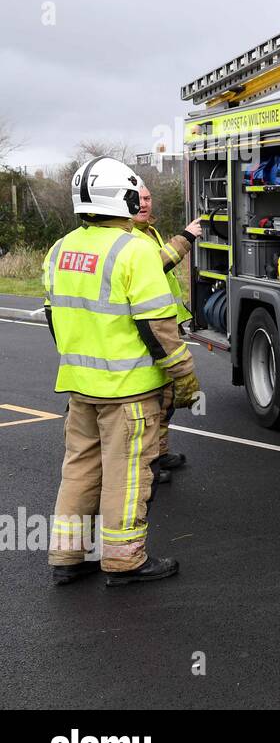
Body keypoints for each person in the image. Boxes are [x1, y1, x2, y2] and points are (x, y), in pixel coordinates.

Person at [43, 157, 200, 587]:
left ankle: (68, 556)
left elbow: (55, 317)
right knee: (127, 475)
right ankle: (124, 560)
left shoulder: (60, 249)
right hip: (128, 391)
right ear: (123, 199)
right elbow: (157, 325)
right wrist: (183, 375)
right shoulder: (134, 250)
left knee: (79, 469)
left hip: (80, 387)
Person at [132, 184, 203, 475]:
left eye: (148, 198)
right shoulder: (129, 236)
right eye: (138, 199)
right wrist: (186, 237)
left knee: (166, 399)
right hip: (149, 328)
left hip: (164, 322)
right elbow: (158, 264)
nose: (144, 204)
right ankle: (148, 465)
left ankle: (159, 454)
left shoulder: (148, 231)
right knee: (153, 402)